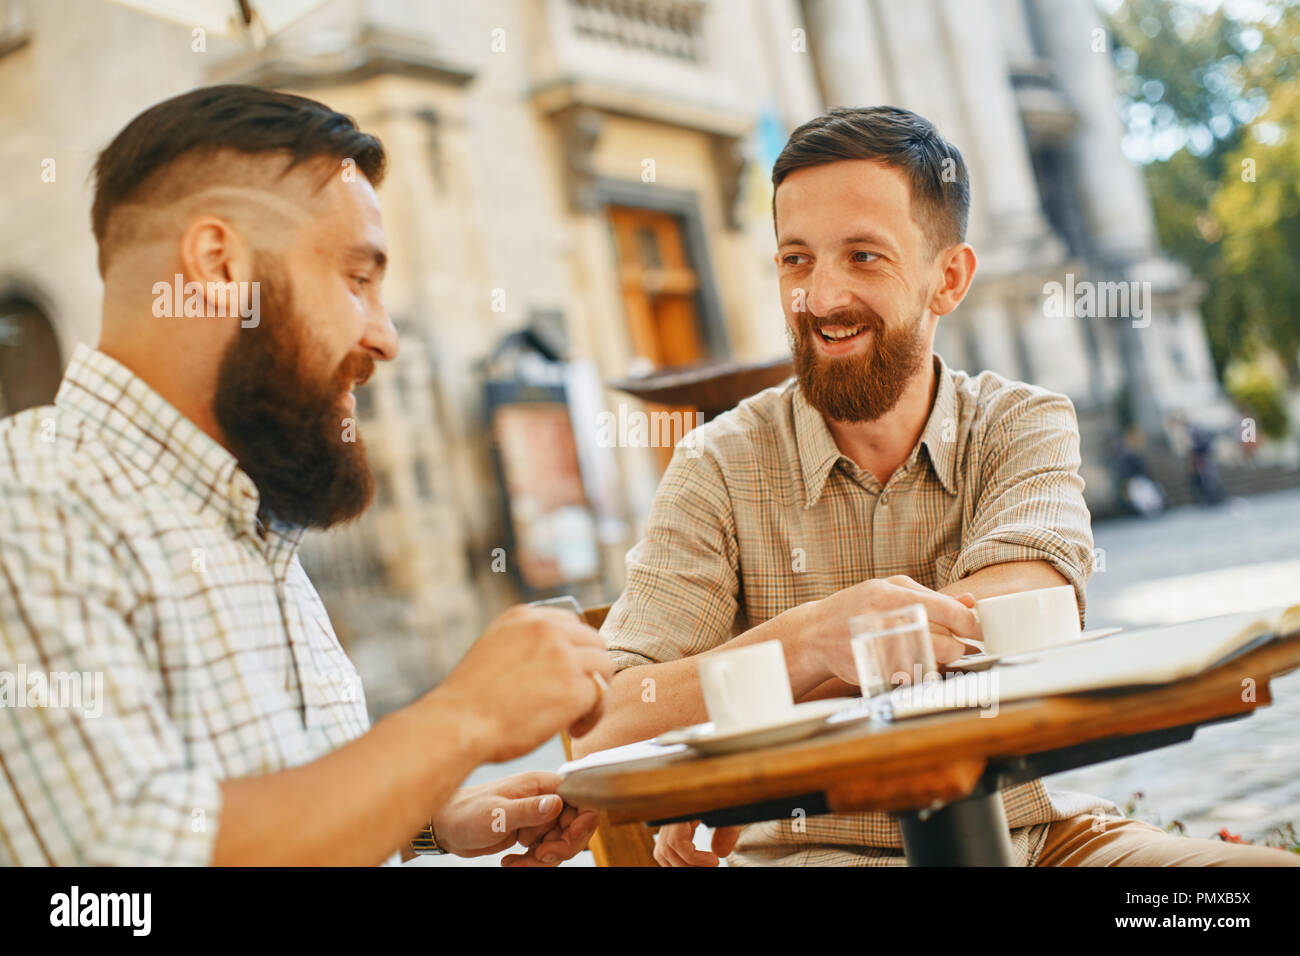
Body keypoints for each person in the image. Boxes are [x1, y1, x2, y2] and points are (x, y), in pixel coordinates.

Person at [574, 106, 1299, 868]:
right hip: (810, 852)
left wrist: (758, 707)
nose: (820, 298)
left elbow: (1020, 610)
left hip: (1036, 839)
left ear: (947, 278)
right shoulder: (716, 463)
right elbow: (614, 716)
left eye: (863, 256)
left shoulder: (1021, 422)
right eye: (796, 259)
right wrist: (818, 634)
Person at [0, 85, 613, 866]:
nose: (386, 337)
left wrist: (421, 816)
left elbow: (250, 795)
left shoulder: (249, 511)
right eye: (358, 280)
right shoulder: (30, 502)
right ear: (220, 266)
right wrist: (463, 718)